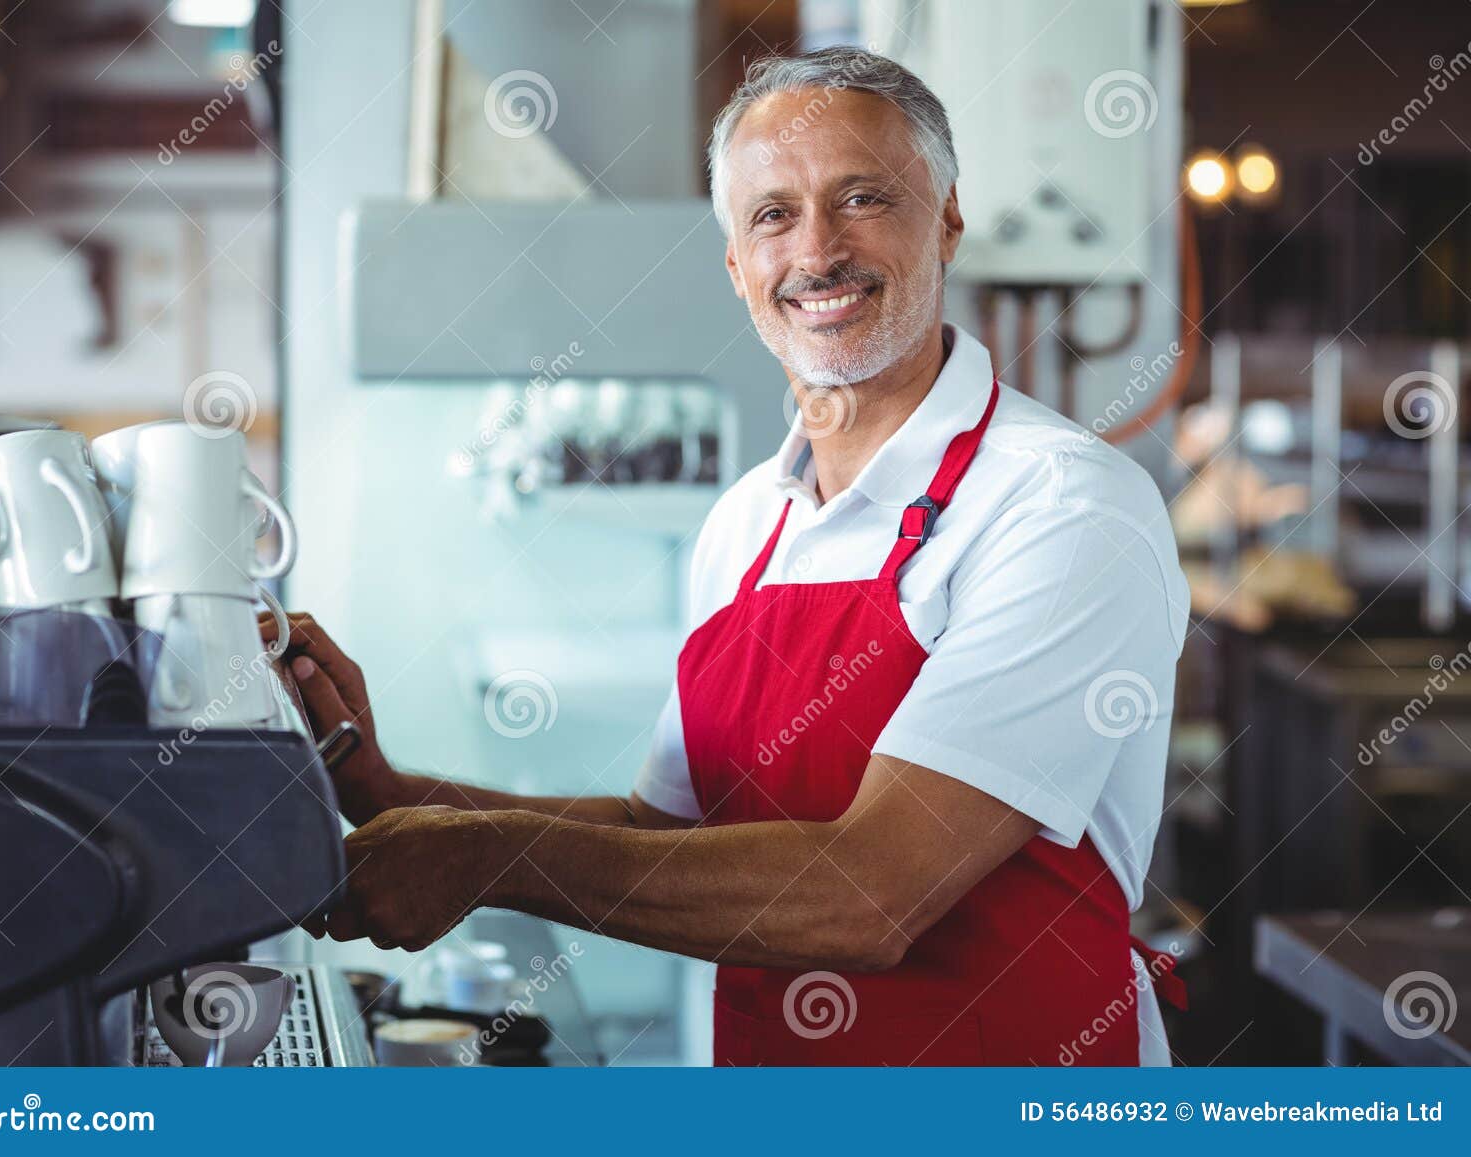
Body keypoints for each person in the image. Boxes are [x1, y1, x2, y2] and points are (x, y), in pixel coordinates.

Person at [268, 47, 1189, 1066]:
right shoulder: (746, 522)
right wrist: (392, 791)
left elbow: (868, 892)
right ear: (735, 267)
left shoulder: (1061, 505)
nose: (818, 250)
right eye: (771, 216)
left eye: (863, 198)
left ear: (948, 220)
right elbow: (665, 831)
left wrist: (487, 856)